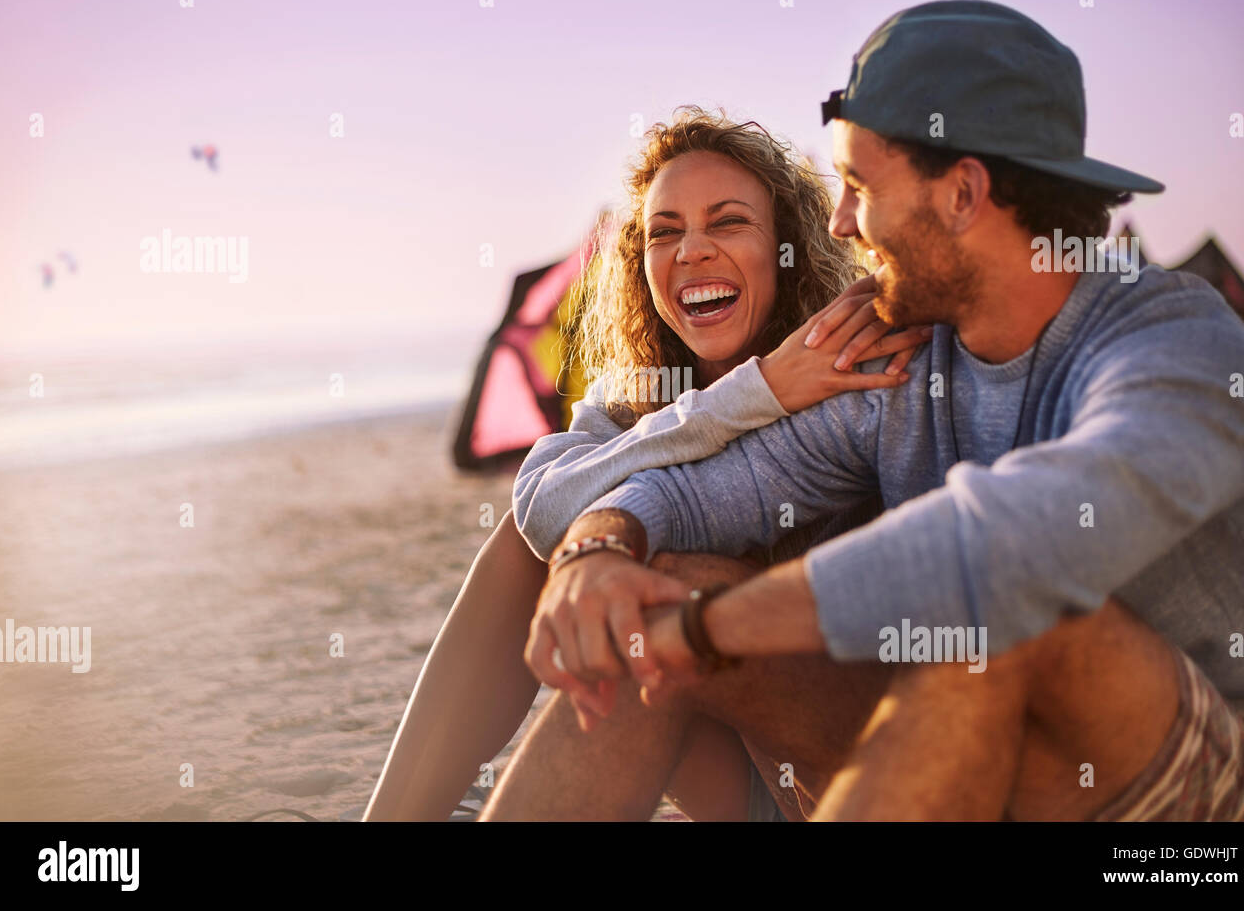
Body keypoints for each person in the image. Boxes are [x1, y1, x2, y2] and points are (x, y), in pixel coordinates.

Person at [486, 0, 1244, 821]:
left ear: (963, 194)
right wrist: (600, 553)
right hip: (988, 765)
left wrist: (709, 630)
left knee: (1011, 625)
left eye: (860, 187)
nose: (839, 223)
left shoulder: (1174, 345)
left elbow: (1009, 550)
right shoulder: (905, 361)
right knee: (659, 588)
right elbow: (707, 490)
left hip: (1221, 800)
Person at [363, 107, 931, 821]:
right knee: (523, 549)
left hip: (833, 766)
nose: (691, 251)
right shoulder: (639, 390)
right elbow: (539, 505)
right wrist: (754, 394)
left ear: (786, 246)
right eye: (665, 232)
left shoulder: (844, 365)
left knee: (670, 588)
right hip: (720, 764)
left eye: (727, 223)